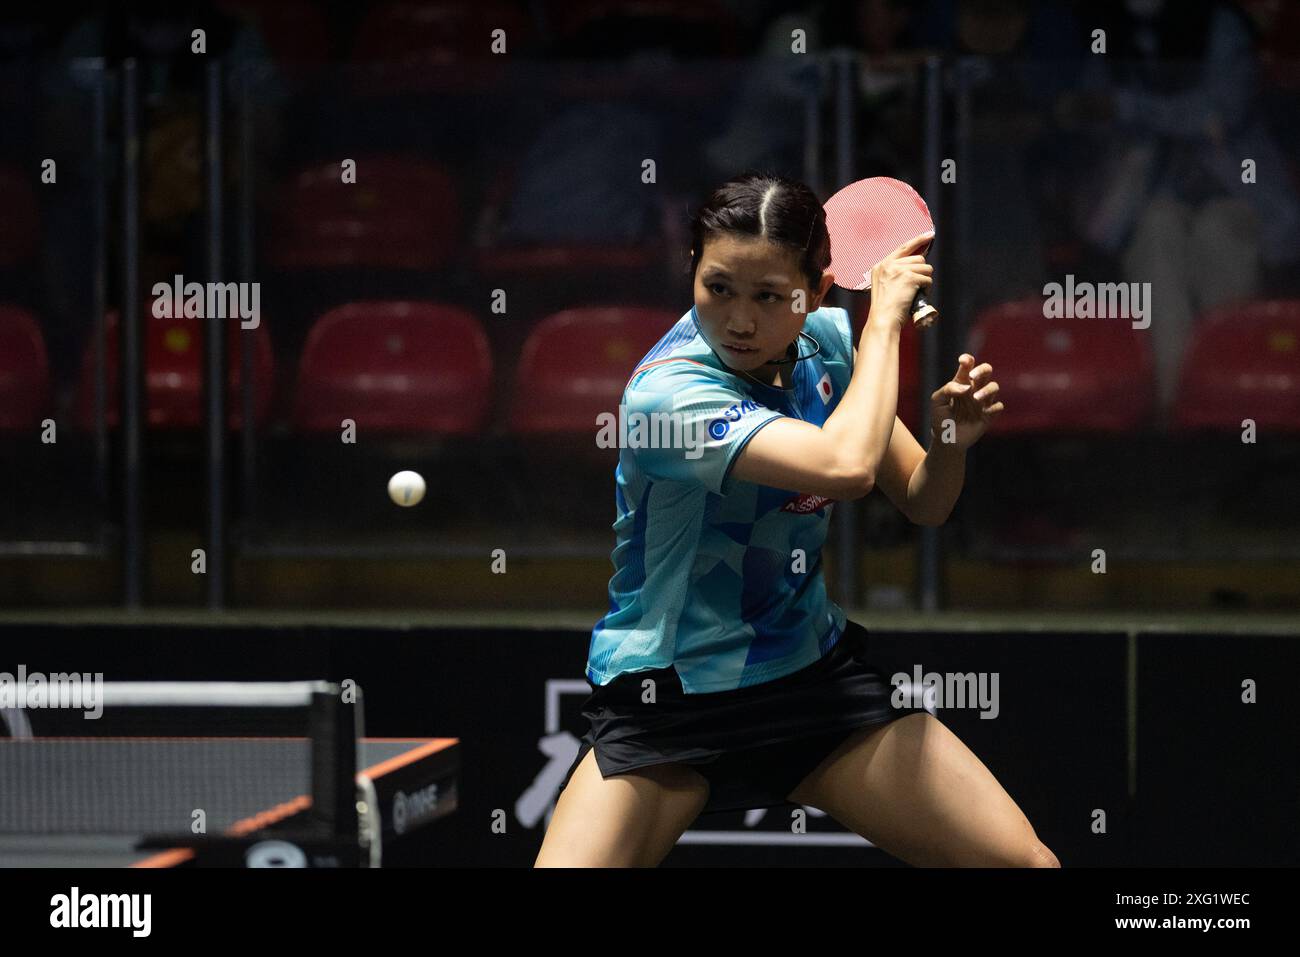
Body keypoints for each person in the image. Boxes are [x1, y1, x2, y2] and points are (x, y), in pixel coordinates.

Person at [535, 172, 1056, 868]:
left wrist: (951, 442)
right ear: (691, 270)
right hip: (669, 696)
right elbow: (844, 466)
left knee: (1024, 865)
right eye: (718, 287)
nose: (741, 320)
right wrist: (885, 329)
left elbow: (926, 502)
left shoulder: (833, 348)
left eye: (770, 296)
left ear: (815, 291)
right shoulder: (667, 395)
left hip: (808, 680)